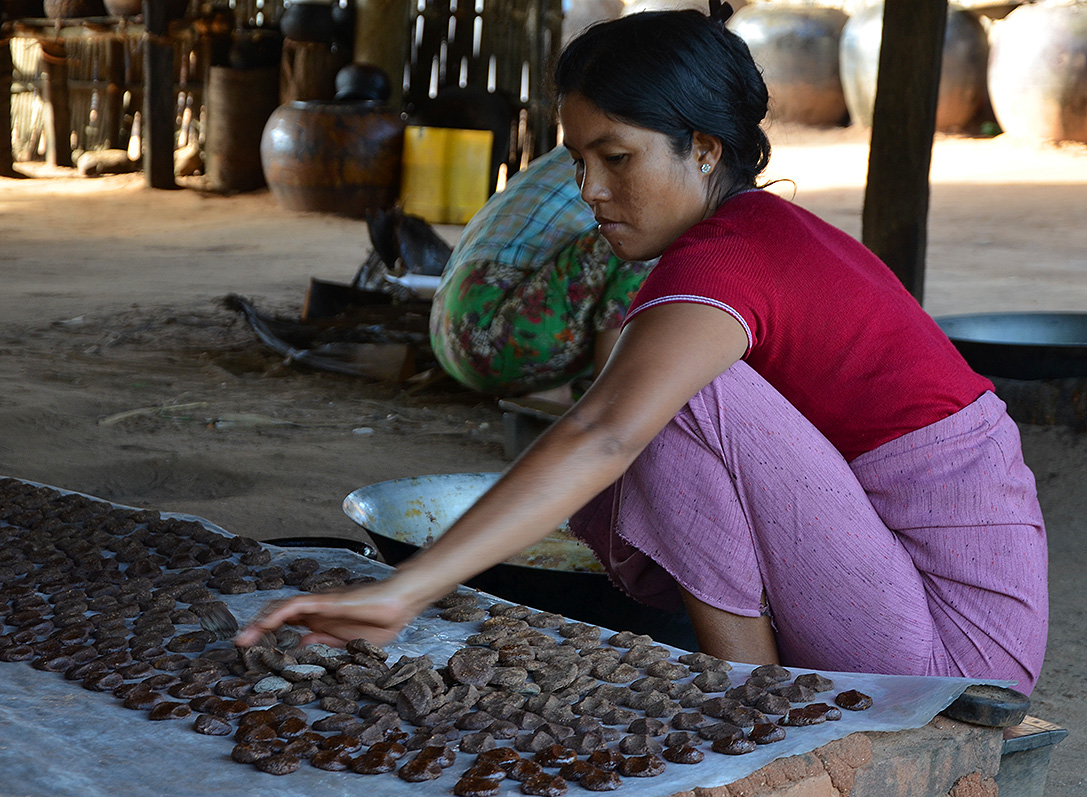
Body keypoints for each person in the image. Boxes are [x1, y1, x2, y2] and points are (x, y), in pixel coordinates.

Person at [239, 7, 1049, 694]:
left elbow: (604, 432)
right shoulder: (759, 235)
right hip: (923, 615)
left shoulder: (729, 258)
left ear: (702, 148)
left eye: (616, 158)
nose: (589, 190)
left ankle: (750, 703)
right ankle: (751, 688)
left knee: (677, 394)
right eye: (578, 161)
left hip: (954, 657)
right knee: (655, 382)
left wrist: (404, 590)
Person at [429, 144, 655, 396]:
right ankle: (611, 401)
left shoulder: (581, 144)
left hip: (448, 332)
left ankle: (565, 391)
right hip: (495, 328)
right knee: (635, 239)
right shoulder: (641, 148)